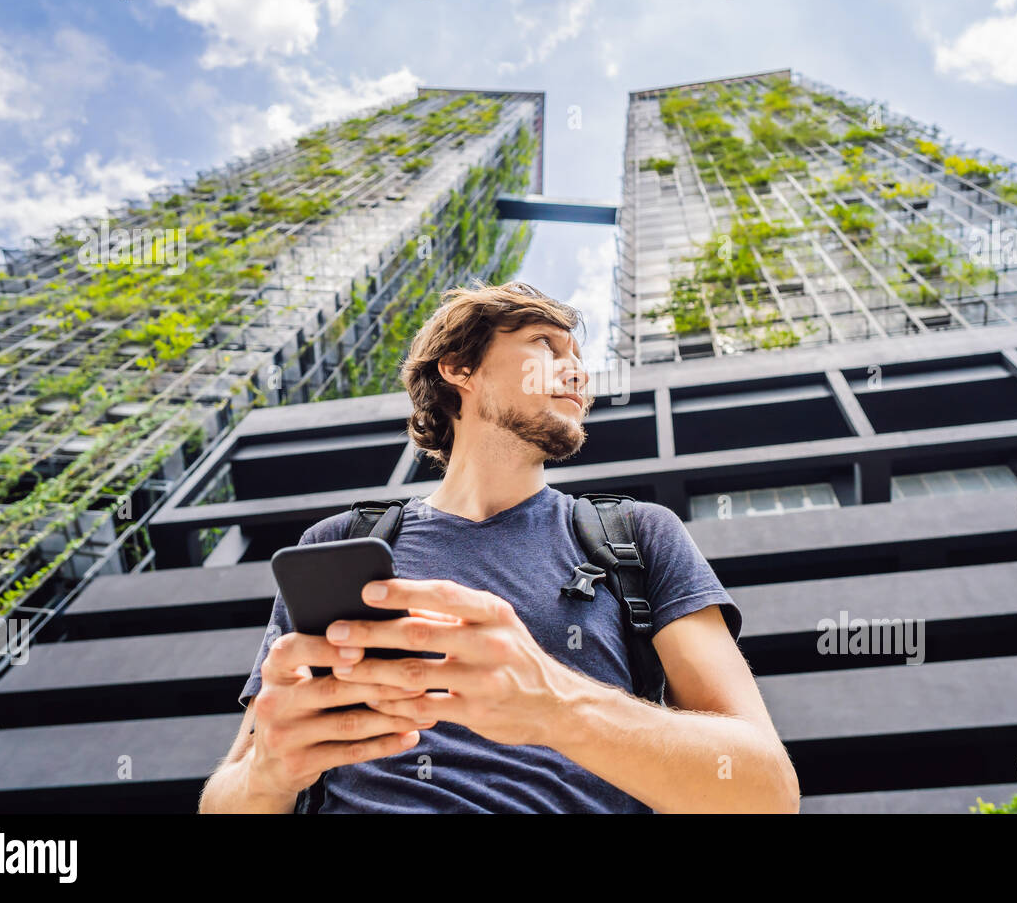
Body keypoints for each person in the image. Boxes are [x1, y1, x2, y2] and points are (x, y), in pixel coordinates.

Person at [199, 280, 799, 813]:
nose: (577, 372)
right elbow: (231, 796)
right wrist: (268, 775)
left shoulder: (636, 534)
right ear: (459, 367)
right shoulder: (341, 544)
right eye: (545, 345)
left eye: (579, 359)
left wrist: (556, 704)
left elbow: (765, 794)